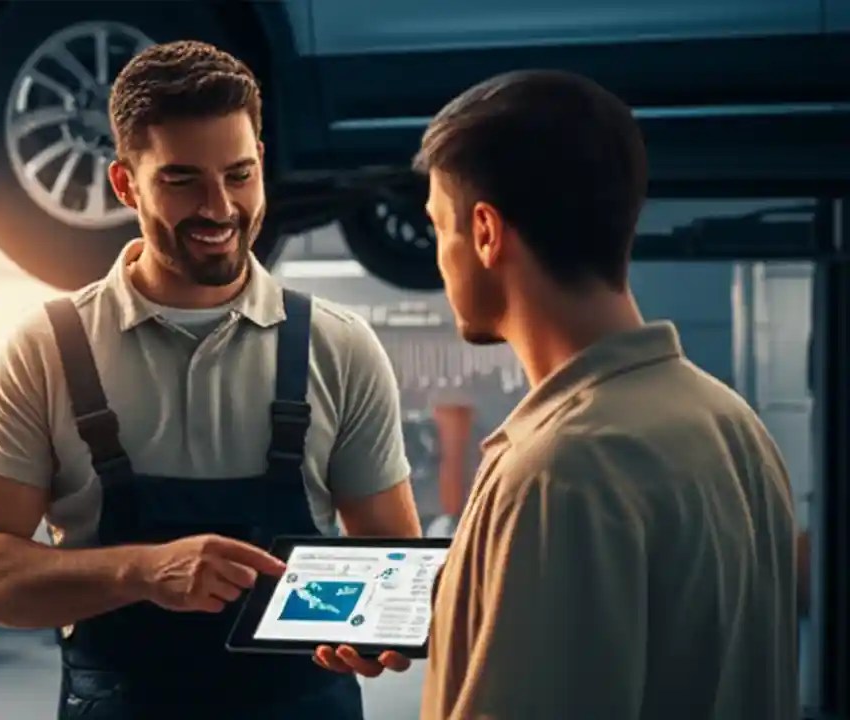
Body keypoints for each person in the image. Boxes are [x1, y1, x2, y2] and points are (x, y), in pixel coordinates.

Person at [0, 40, 423, 720]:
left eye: (241, 174)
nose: (220, 208)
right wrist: (140, 572)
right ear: (125, 184)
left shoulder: (338, 347)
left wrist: (377, 629)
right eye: (182, 179)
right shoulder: (46, 350)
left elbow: (389, 562)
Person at [314, 69, 799, 719]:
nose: (439, 258)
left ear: (484, 233)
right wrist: (471, 609)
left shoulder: (559, 472)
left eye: (439, 230)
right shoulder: (732, 423)